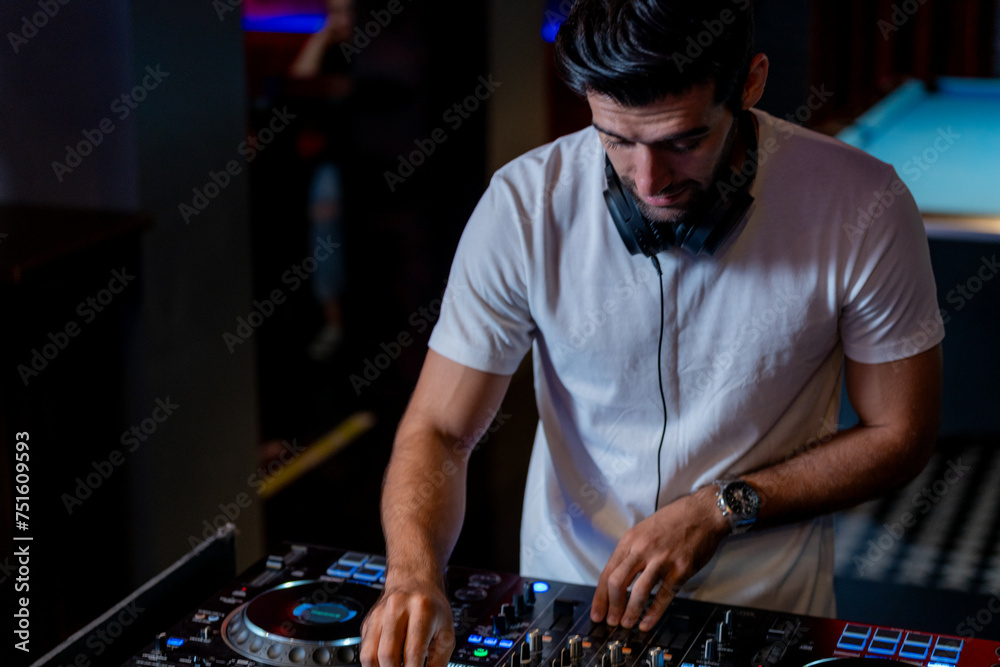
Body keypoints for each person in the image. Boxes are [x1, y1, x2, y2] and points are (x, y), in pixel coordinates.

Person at [360, 2, 944, 667]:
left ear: (750, 83)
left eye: (683, 141)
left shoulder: (862, 204)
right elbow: (439, 427)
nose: (647, 180)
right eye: (616, 138)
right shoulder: (522, 205)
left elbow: (900, 432)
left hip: (765, 609)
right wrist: (411, 574)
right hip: (568, 604)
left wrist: (721, 508)